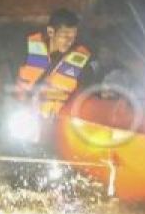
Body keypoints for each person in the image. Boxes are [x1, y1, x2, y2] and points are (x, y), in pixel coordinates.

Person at [11, 8, 93, 142]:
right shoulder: (27, 48)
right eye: (65, 35)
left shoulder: (81, 61)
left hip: (53, 129)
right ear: (51, 32)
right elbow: (8, 75)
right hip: (20, 120)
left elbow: (85, 92)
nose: (69, 41)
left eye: (73, 37)